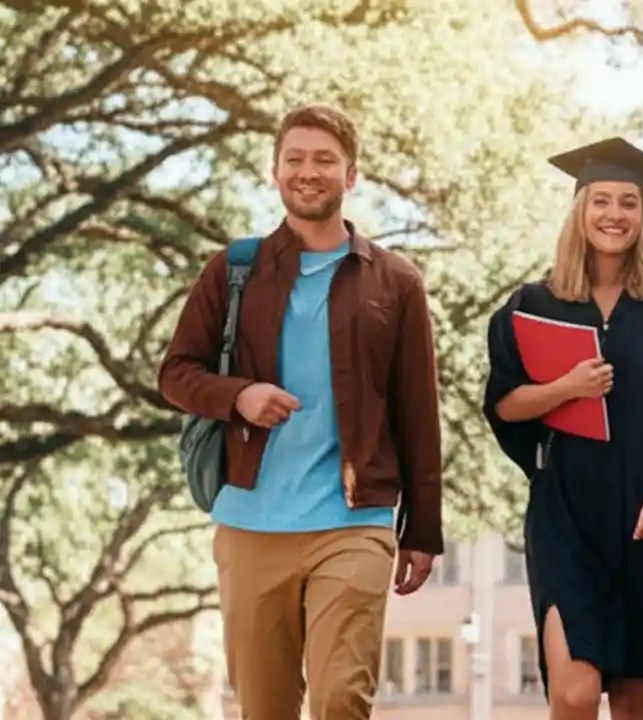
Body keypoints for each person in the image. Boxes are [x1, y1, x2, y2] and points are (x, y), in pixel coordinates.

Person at [158, 104, 443, 719]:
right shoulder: (236, 269)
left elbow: (419, 412)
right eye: (295, 159)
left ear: (352, 175)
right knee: (265, 708)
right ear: (275, 170)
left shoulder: (395, 282)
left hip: (353, 519)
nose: (308, 172)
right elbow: (176, 374)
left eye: (324, 160)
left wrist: (423, 529)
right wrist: (239, 396)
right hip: (251, 520)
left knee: (343, 696)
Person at [482, 137, 643, 720]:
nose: (615, 214)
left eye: (628, 202)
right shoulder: (532, 303)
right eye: (601, 201)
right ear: (579, 210)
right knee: (572, 695)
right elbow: (505, 405)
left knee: (635, 705)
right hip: (566, 512)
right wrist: (566, 389)